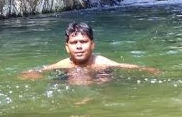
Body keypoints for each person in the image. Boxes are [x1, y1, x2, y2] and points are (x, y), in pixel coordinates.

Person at [21, 22, 156, 78]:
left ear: (92, 45)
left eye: (84, 42)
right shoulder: (64, 64)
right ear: (67, 48)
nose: (79, 46)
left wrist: (147, 70)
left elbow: (123, 66)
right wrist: (32, 74)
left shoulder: (100, 62)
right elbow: (40, 71)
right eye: (74, 43)